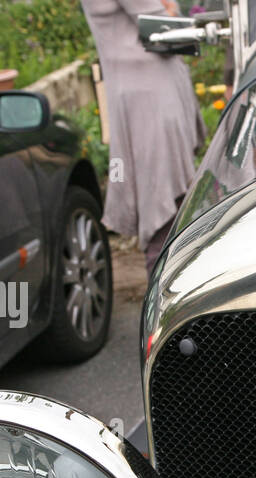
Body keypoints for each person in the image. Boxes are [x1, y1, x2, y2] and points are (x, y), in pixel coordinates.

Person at [80, 0, 205, 273]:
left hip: (145, 97)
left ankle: (170, 300)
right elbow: (174, 30)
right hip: (150, 102)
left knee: (169, 207)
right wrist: (170, 7)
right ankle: (162, 308)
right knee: (163, 209)